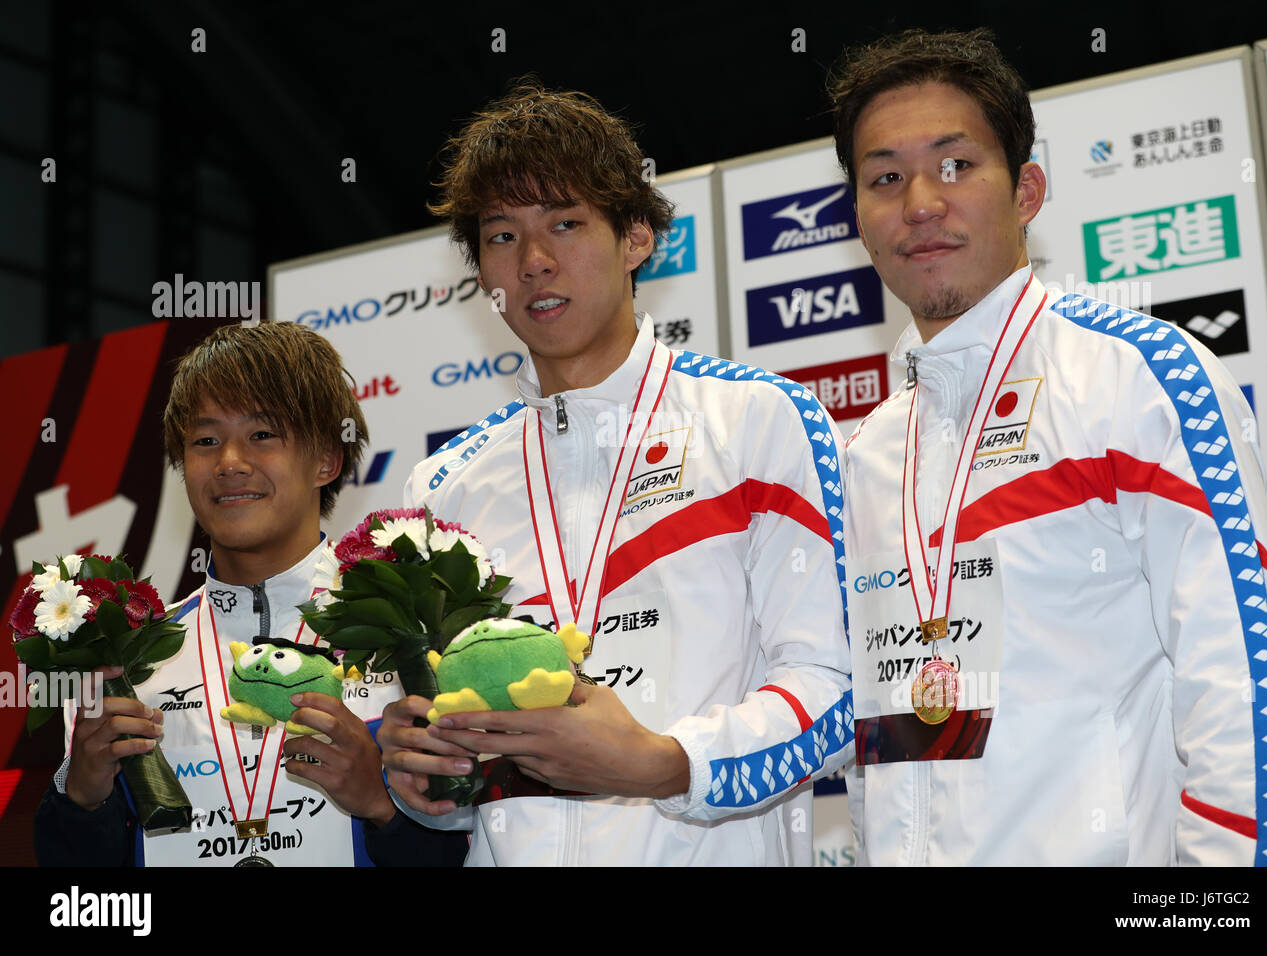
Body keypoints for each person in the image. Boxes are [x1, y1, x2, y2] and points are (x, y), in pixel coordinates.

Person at [830, 28, 1267, 865]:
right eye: (885, 177)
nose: (921, 202)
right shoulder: (868, 453)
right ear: (859, 217)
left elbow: (1245, 683)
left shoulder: (1140, 377)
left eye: (955, 164)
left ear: (1027, 190)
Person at [378, 83, 854, 865]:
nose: (534, 261)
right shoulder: (444, 489)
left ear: (636, 237)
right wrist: (424, 777)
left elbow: (836, 689)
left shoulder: (758, 421)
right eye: (502, 236)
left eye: (565, 223)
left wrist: (666, 763)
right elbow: (463, 796)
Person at [33, 321, 464, 866]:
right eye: (205, 440)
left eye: (262, 435)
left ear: (328, 459)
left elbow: (480, 845)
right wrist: (81, 799)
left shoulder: (412, 637)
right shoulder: (128, 661)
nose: (229, 462)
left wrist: (380, 804)